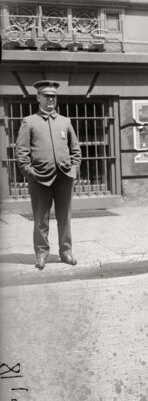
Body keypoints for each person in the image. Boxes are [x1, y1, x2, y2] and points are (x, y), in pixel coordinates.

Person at [15, 80, 81, 270]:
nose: (50, 99)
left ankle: (66, 252)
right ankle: (42, 254)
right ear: (38, 98)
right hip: (39, 179)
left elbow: (75, 149)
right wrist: (29, 171)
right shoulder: (29, 122)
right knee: (40, 220)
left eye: (53, 96)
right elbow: (21, 151)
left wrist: (73, 170)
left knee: (65, 218)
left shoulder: (65, 121)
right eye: (46, 96)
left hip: (64, 178)